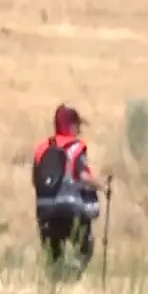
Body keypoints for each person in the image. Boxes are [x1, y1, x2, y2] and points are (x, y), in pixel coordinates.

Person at [32, 104, 111, 275]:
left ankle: (56, 282)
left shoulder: (41, 149)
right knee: (84, 247)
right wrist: (103, 187)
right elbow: (83, 176)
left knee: (53, 257)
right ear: (71, 125)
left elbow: (35, 180)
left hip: (45, 210)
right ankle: (71, 277)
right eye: (77, 126)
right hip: (69, 210)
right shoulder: (75, 147)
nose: (79, 130)